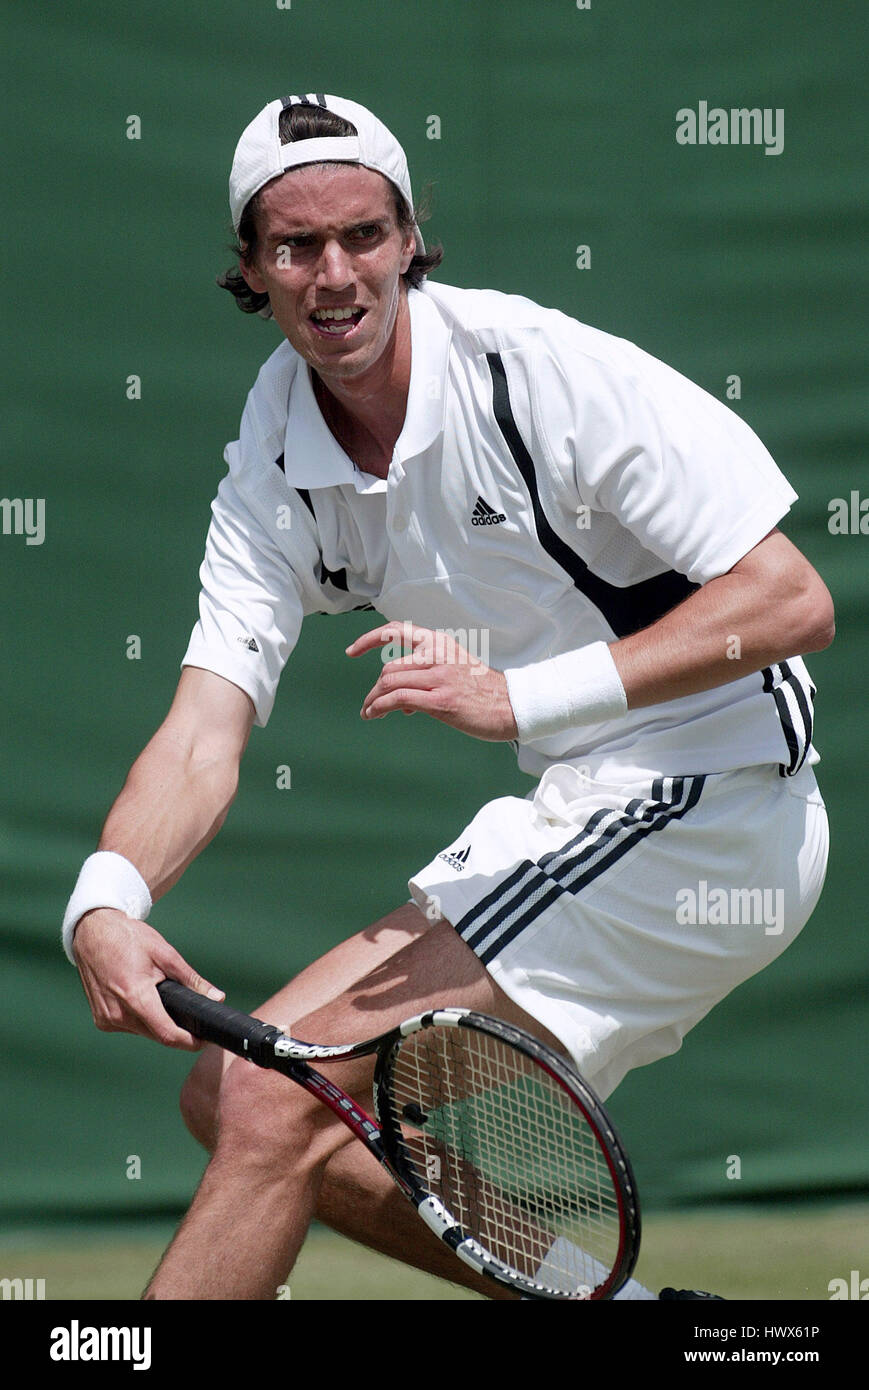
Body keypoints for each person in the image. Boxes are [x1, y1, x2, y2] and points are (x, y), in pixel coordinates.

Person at [63, 93, 833, 1301]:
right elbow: (206, 728)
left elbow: (789, 600)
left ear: (412, 238)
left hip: (712, 796)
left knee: (280, 1090)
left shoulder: (539, 375)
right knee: (238, 1090)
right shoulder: (273, 458)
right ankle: (618, 1307)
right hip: (593, 802)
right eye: (295, 245)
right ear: (251, 269)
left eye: (363, 235)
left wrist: (520, 698)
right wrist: (105, 900)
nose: (335, 274)